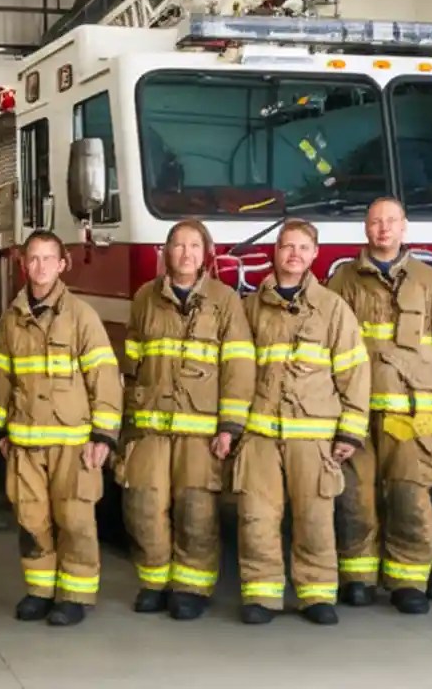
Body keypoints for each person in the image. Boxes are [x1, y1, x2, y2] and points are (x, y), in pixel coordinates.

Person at [326, 197, 432, 615]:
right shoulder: (343, 283)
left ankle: (409, 579)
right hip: (357, 414)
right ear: (366, 230)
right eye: (375, 222)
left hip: (414, 414)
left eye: (390, 221)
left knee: (411, 496)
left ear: (404, 228)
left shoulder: (431, 282)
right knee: (356, 497)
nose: (383, 229)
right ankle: (358, 577)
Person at [120, 220, 256, 620]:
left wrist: (230, 426)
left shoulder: (225, 300)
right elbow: (131, 363)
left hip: (201, 429)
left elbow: (239, 366)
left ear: (205, 254)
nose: (185, 253)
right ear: (165, 252)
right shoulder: (145, 298)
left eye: (193, 246)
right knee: (144, 505)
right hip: (151, 427)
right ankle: (154, 582)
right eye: (177, 245)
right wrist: (128, 421)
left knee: (196, 509)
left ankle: (191, 588)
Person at [236, 219, 370, 626]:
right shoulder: (249, 308)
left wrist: (351, 429)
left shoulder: (333, 309)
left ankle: (316, 595)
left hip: (314, 436)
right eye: (286, 247)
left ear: (314, 255)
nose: (293, 254)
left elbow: (354, 372)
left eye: (302, 248)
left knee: (315, 519)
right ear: (275, 253)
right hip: (259, 433)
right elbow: (236, 372)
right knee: (257, 518)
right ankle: (261, 594)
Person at [0, 229, 122, 627]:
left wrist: (103, 435)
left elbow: (105, 378)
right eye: (33, 258)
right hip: (25, 442)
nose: (40, 266)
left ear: (63, 264)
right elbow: (1, 379)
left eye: (49, 258)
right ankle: (39, 592)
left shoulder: (82, 317)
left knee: (75, 519)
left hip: (72, 442)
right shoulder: (11, 321)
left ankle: (75, 596)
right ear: (22, 264)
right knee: (31, 521)